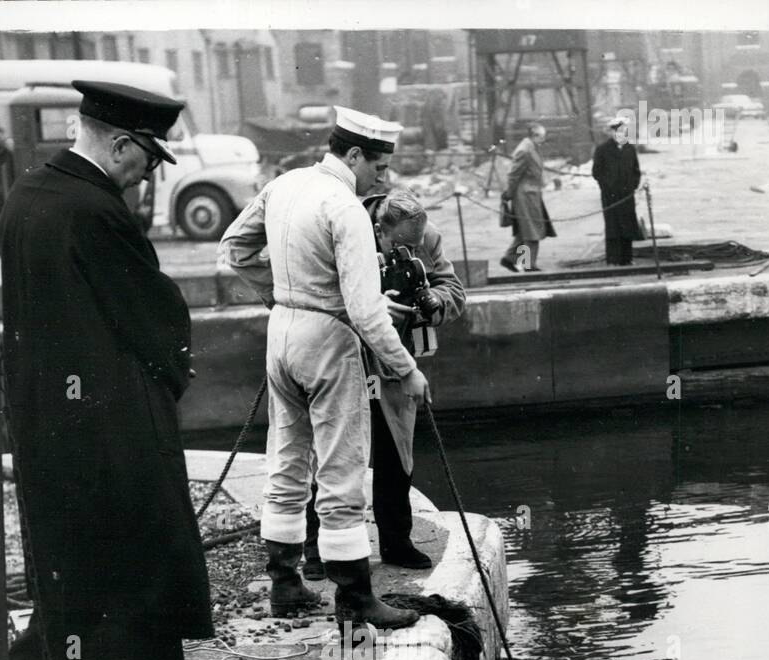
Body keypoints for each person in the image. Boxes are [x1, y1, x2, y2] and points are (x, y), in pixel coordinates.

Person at [1, 80, 224, 660]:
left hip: (47, 417)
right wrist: (168, 380)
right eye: (149, 157)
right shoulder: (97, 213)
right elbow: (152, 316)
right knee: (146, 559)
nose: (150, 171)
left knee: (70, 552)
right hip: (113, 421)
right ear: (121, 143)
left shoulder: (30, 193)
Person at [221, 106, 431, 628]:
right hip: (329, 340)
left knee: (288, 460)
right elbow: (364, 310)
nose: (383, 178)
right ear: (353, 154)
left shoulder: (285, 184)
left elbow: (234, 249)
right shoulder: (346, 207)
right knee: (341, 468)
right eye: (378, 167)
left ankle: (285, 584)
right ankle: (356, 598)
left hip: (282, 334)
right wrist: (405, 368)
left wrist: (278, 296)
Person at [302, 188, 465, 574]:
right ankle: (315, 550)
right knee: (332, 453)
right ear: (378, 228)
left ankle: (397, 542)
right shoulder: (341, 230)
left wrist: (434, 301)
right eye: (398, 243)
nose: (406, 250)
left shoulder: (427, 236)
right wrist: (371, 303)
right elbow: (314, 294)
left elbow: (455, 291)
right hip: (344, 357)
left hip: (393, 363)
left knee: (396, 452)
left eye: (414, 244)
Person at [500, 122, 556, 273]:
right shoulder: (525, 150)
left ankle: (510, 258)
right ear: (534, 135)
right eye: (542, 137)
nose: (543, 140)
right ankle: (528, 265)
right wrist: (509, 194)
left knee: (526, 230)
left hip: (531, 194)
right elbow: (513, 174)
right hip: (525, 195)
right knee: (532, 231)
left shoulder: (531, 147)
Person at [591, 118, 643, 266]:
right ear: (612, 132)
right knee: (613, 226)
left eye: (623, 131)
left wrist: (633, 185)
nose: (621, 134)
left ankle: (627, 258)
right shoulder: (602, 150)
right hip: (610, 196)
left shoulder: (630, 149)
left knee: (627, 225)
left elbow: (636, 171)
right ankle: (613, 259)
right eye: (618, 131)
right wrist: (607, 187)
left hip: (627, 195)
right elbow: (596, 172)